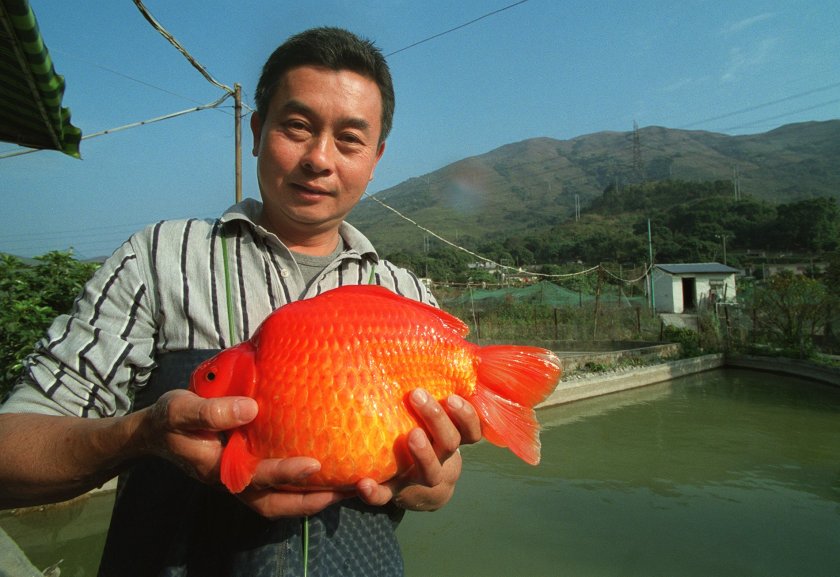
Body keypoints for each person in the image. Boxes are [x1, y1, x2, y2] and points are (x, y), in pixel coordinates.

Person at [0, 27, 481, 576]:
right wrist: (142, 433)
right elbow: (10, 451)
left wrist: (430, 481)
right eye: (297, 126)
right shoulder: (157, 260)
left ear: (375, 158)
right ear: (256, 131)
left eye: (349, 139)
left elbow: (437, 488)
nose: (319, 158)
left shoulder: (407, 298)